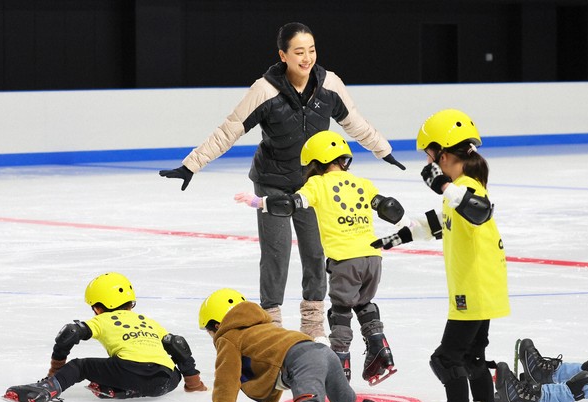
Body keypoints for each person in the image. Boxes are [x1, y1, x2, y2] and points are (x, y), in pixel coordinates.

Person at [158, 22, 405, 343]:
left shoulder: (330, 84)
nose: (307, 58)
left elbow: (355, 122)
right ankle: (271, 322)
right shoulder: (265, 90)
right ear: (283, 55)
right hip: (272, 181)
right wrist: (191, 165)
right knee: (276, 253)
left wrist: (383, 149)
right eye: (299, 52)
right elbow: (229, 129)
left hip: (313, 185)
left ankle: (312, 322)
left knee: (316, 253)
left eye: (311, 50)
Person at [371, 109, 509, 402]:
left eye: (429, 156)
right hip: (482, 286)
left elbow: (479, 211)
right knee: (472, 357)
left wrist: (444, 186)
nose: (428, 164)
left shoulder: (467, 189)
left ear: (443, 155)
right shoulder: (461, 191)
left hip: (473, 289)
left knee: (446, 360)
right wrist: (398, 237)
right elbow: (441, 221)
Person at [233, 130, 403, 385]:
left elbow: (288, 204)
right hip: (373, 258)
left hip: (346, 261)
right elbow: (389, 207)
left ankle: (339, 365)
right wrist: (406, 222)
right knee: (363, 302)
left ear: (315, 163)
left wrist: (259, 202)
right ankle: (380, 346)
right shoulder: (363, 183)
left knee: (340, 312)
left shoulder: (317, 185)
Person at [188, 288, 444, 402]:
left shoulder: (229, 337)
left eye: (210, 331)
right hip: (322, 353)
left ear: (217, 324)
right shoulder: (264, 328)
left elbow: (227, 378)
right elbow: (272, 369)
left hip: (302, 362)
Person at [4, 272, 207, 402]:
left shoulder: (103, 319)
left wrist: (56, 371)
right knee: (160, 366)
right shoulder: (147, 321)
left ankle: (48, 389)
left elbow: (70, 333)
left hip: (129, 371)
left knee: (80, 366)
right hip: (168, 380)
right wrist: (193, 382)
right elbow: (177, 345)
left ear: (98, 308)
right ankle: (129, 391)